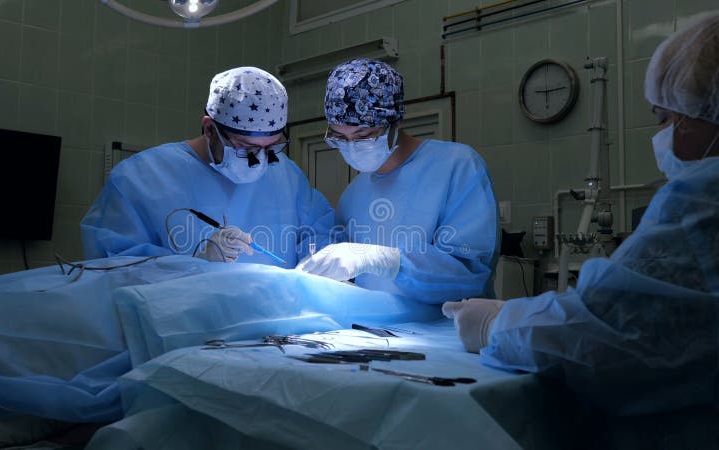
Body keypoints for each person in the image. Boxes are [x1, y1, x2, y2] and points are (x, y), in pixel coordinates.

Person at [444, 14, 719, 414]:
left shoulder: (703, 201)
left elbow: (601, 333)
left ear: (705, 111)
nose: (663, 136)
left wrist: (496, 325)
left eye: (665, 119)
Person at [81, 67, 334, 267]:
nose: (259, 161)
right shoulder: (139, 178)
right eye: (245, 148)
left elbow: (319, 234)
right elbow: (111, 266)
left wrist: (322, 262)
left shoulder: (286, 176)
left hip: (269, 328)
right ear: (210, 129)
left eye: (270, 148)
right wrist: (197, 265)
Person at [297, 59, 499, 304]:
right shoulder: (353, 194)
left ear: (397, 122)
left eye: (364, 135)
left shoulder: (457, 166)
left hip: (445, 334)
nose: (351, 147)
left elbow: (469, 275)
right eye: (340, 137)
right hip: (373, 334)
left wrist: (386, 262)